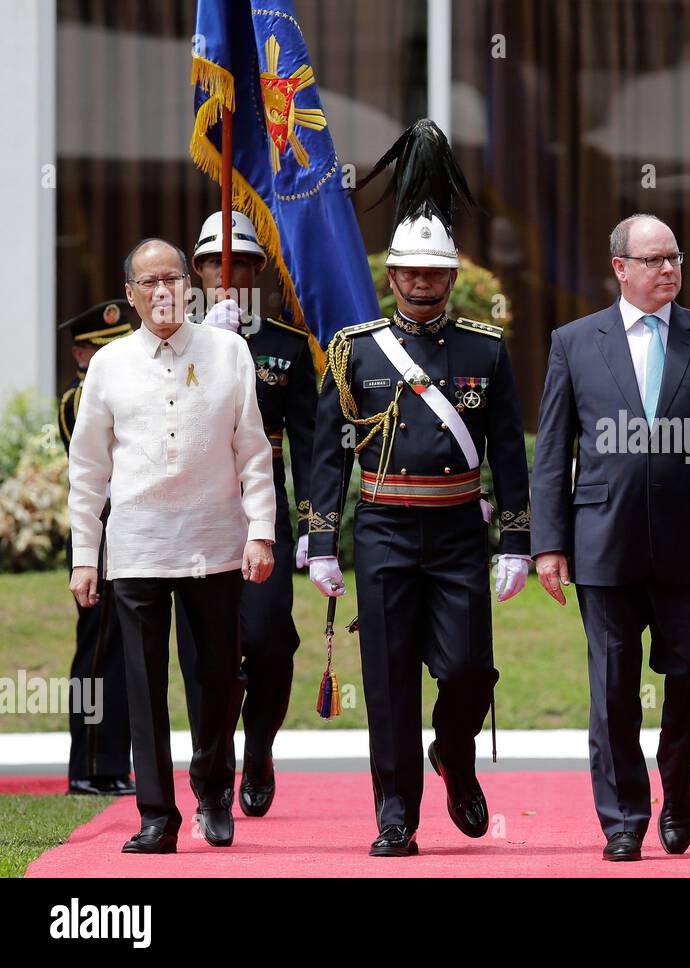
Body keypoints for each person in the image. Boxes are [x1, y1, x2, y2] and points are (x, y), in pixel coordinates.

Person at [307, 120, 532, 858]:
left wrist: (518, 541)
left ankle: (455, 754)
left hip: (460, 533)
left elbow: (507, 448)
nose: (423, 285)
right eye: (412, 274)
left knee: (469, 669)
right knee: (390, 678)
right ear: (393, 276)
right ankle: (395, 814)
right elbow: (331, 448)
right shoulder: (355, 351)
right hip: (383, 532)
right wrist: (319, 538)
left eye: (435, 275)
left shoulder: (484, 350)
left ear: (451, 278)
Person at [530, 213, 690, 861]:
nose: (669, 269)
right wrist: (547, 542)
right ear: (620, 269)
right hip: (603, 543)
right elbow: (552, 451)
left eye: (675, 258)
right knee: (611, 685)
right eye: (655, 259)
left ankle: (678, 776)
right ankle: (624, 820)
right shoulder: (575, 344)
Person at [67, 238, 276, 854]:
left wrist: (260, 531)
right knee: (142, 684)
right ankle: (156, 814)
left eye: (173, 279)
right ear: (130, 294)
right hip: (136, 546)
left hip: (214, 544)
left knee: (216, 681)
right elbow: (87, 470)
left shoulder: (229, 351)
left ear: (190, 286)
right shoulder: (109, 365)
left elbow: (254, 452)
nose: (162, 292)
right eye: (148, 282)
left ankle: (213, 789)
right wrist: (86, 556)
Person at [174, 211, 317, 818]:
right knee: (204, 654)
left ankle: (258, 746)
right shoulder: (173, 343)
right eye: (214, 264)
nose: (226, 275)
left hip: (261, 520)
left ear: (257, 271)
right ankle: (215, 768)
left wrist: (316, 526)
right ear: (199, 272)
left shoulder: (284, 346)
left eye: (239, 265)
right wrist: (207, 343)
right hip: (192, 520)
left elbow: (308, 443)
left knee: (266, 643)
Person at [56, 299, 134, 797]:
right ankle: (87, 764)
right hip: (99, 528)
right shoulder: (76, 399)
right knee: (98, 653)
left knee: (122, 654)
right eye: (99, 350)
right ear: (81, 353)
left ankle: (112, 762)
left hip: (129, 525)